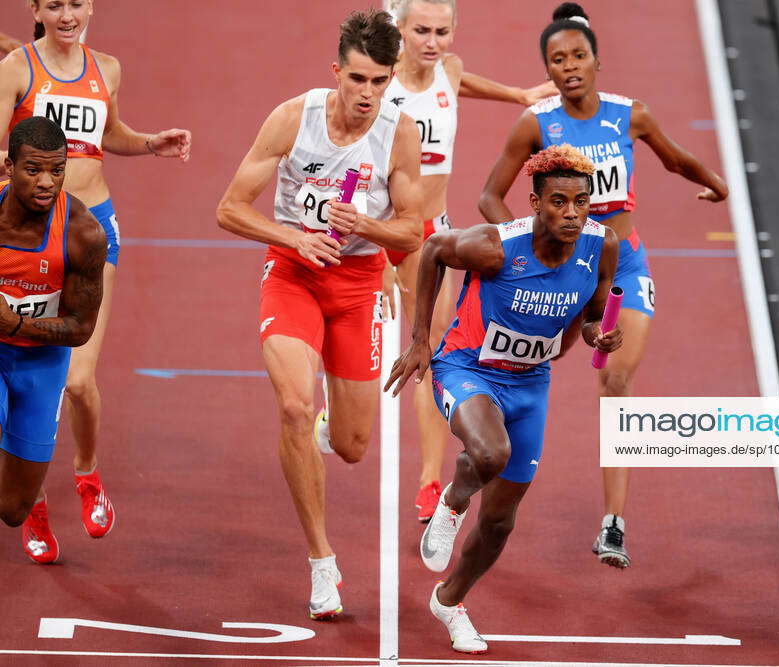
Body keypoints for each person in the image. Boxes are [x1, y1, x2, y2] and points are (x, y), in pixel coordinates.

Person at [479, 2, 729, 569]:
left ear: (597, 61)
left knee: (614, 381)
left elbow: (674, 159)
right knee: (517, 369)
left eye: (578, 57)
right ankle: (474, 481)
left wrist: (717, 185)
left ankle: (613, 524)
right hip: (557, 275)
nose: (569, 67)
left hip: (621, 272)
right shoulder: (536, 123)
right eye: (556, 60)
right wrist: (521, 245)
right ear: (548, 68)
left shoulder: (629, 115)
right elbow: (490, 195)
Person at [315, 0, 557, 525]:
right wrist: (375, 256)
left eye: (441, 31)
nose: (431, 41)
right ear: (398, 31)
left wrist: (517, 95)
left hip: (436, 235)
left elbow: (460, 82)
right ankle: (335, 416)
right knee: (369, 350)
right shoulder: (379, 86)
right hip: (382, 234)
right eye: (420, 30)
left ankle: (428, 480)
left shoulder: (449, 69)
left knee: (429, 353)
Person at [216, 9, 422, 620]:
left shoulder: (397, 133)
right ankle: (322, 563)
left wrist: (369, 226)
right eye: (357, 79)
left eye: (379, 82)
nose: (366, 94)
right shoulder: (293, 119)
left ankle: (332, 428)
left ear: (392, 80)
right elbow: (229, 208)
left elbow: (411, 233)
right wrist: (291, 238)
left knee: (354, 446)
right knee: (295, 407)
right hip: (294, 276)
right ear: (336, 70)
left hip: (357, 284)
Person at [384, 144, 622, 653]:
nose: (572, 213)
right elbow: (431, 251)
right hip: (467, 367)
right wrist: (422, 340)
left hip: (531, 382)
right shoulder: (494, 247)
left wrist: (599, 333)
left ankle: (449, 601)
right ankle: (451, 502)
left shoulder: (602, 246)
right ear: (535, 202)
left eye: (581, 202)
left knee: (500, 521)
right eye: (559, 202)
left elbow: (597, 307)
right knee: (491, 454)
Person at [0, 0, 191, 563]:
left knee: (78, 379)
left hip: (90, 228)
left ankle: (87, 474)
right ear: (35, 9)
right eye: (54, 4)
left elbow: (108, 136)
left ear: (91, 7)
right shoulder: (17, 70)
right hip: (29, 231)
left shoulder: (106, 68)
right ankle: (31, 499)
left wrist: (149, 142)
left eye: (76, 3)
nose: (67, 14)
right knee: (30, 373)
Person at [0, 116, 106, 563]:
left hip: (41, 364)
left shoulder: (83, 232)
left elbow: (81, 329)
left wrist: (16, 325)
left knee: (11, 508)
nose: (47, 182)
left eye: (57, 170)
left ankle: (35, 508)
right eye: (33, 170)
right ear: (9, 166)